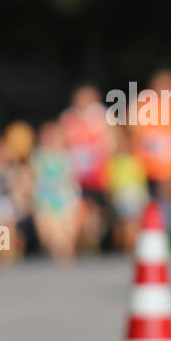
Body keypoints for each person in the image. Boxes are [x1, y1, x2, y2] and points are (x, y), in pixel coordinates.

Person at [131, 70, 171, 246]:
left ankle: (169, 237)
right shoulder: (142, 104)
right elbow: (133, 132)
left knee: (170, 202)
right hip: (146, 165)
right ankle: (149, 238)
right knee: (148, 204)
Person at [59, 85, 114, 253]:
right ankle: (83, 245)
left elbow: (110, 145)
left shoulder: (102, 117)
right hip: (76, 177)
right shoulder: (68, 118)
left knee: (97, 212)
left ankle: (95, 243)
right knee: (79, 213)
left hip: (98, 176)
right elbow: (63, 145)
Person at [31, 121, 82, 261]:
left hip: (65, 201)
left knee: (65, 239)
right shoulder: (38, 157)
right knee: (50, 237)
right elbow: (33, 180)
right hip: (45, 202)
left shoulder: (67, 156)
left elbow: (73, 181)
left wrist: (75, 202)